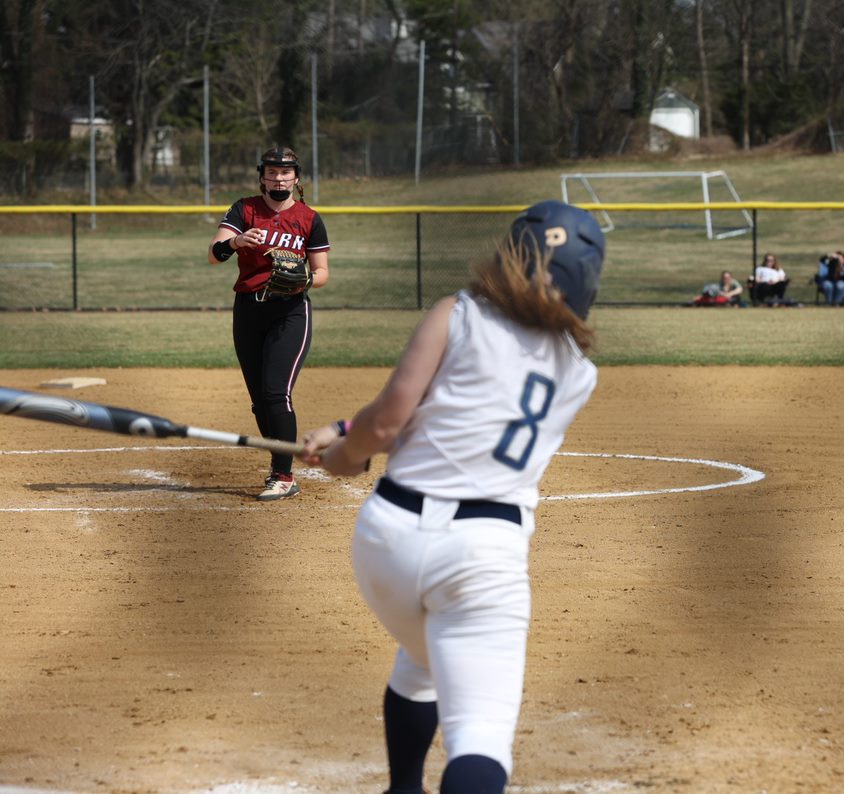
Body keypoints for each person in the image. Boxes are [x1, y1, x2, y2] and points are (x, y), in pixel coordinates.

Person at [298, 200, 605, 794]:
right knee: (481, 734)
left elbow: (389, 422)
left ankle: (402, 789)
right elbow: (465, 407)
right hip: (482, 554)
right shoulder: (578, 373)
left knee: (423, 660)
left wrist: (344, 452)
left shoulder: (456, 313)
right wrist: (342, 433)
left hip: (387, 542)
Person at [207, 146, 330, 501]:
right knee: (261, 401)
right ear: (262, 176)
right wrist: (236, 240)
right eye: (273, 172)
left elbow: (322, 273)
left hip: (290, 312)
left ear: (296, 177)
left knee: (277, 393)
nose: (279, 178)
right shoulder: (244, 209)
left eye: (285, 172)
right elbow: (214, 255)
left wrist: (303, 279)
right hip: (248, 310)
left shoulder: (309, 218)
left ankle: (284, 474)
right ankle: (279, 465)